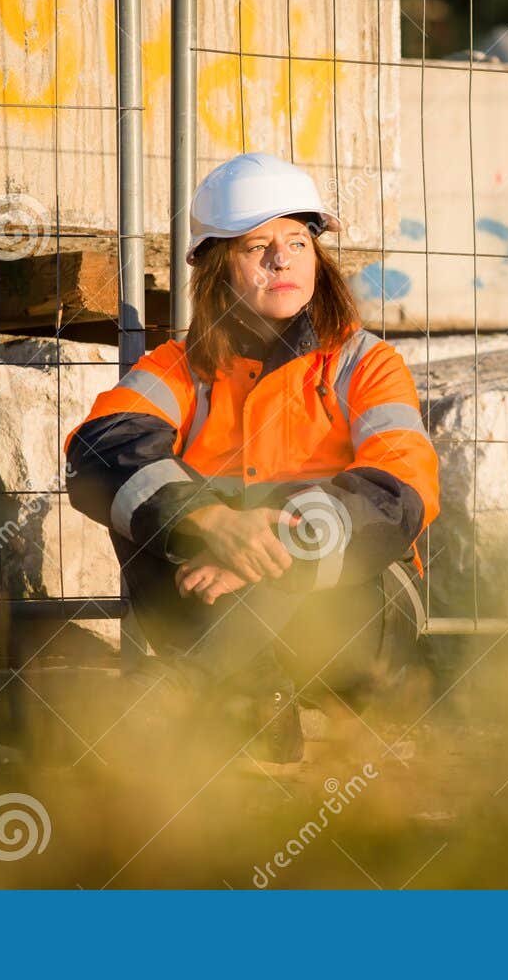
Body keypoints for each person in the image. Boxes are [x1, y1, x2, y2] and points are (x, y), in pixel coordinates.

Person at [63, 152, 440, 763]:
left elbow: (401, 490)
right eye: (255, 245)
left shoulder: (368, 365)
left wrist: (264, 551)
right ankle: (248, 709)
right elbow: (99, 448)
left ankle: (203, 704)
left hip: (354, 624)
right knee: (149, 498)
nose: (282, 258)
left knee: (274, 546)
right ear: (216, 267)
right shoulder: (178, 368)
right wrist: (211, 524)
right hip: (211, 608)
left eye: (297, 240)